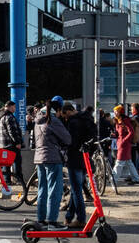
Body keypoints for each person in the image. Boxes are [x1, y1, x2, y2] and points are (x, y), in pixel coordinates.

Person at [33, 97, 71, 228]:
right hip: (53, 158)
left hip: (39, 157)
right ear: (58, 110)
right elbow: (67, 139)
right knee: (54, 190)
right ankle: (52, 221)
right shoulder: (53, 120)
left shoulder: (38, 120)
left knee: (42, 189)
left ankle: (41, 220)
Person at [62, 103, 96, 228]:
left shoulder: (73, 122)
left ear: (69, 111)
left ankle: (81, 218)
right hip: (85, 158)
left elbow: (71, 141)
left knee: (76, 191)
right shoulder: (87, 118)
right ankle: (69, 217)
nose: (65, 118)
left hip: (74, 159)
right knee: (76, 189)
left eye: (65, 115)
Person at [0, 100, 23, 184]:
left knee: (6, 164)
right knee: (17, 162)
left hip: (2, 144)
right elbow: (12, 131)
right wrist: (18, 142)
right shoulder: (9, 117)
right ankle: (19, 180)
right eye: (14, 107)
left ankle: (7, 180)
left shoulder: (0, 117)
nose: (15, 109)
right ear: (10, 107)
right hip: (11, 144)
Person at [112, 105, 139, 184]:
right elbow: (120, 133)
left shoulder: (125, 120)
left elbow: (131, 132)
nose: (114, 113)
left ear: (120, 112)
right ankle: (136, 178)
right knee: (129, 162)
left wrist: (124, 140)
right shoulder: (118, 120)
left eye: (116, 111)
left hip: (124, 144)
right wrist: (115, 135)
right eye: (114, 111)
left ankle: (114, 179)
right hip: (122, 143)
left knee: (119, 162)